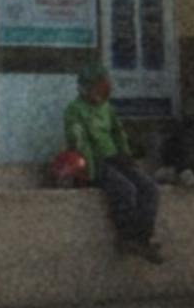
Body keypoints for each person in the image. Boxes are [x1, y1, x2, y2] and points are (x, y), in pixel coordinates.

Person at [64, 67, 162, 260]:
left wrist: (126, 156)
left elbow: (118, 134)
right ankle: (128, 237)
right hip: (94, 162)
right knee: (126, 189)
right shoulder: (75, 111)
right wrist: (91, 171)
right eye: (97, 88)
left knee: (149, 188)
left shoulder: (107, 108)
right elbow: (79, 143)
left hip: (115, 158)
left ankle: (143, 238)